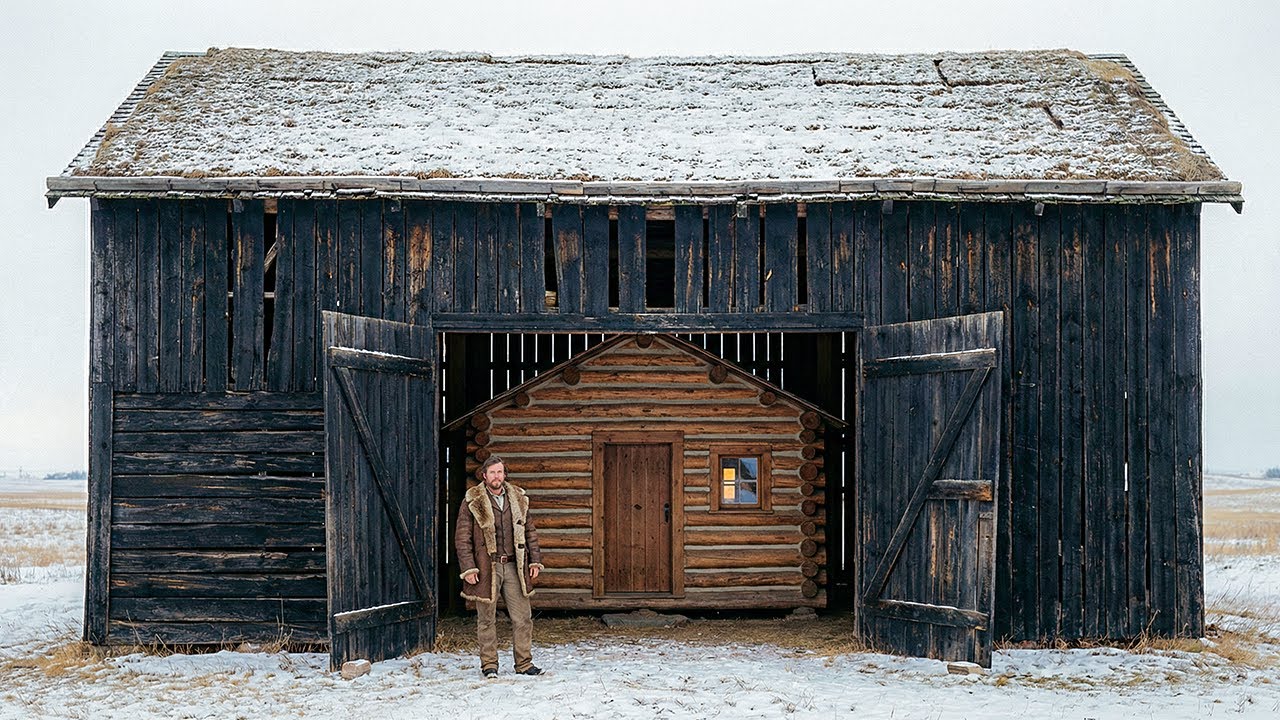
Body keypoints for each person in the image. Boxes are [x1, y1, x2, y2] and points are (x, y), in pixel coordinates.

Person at [455, 455, 545, 678]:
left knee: (523, 617)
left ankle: (524, 664)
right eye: (492, 472)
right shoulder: (472, 500)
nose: (497, 476)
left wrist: (534, 560)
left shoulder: (518, 498)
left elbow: (530, 532)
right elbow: (462, 538)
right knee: (486, 619)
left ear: (505, 474)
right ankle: (489, 665)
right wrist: (469, 568)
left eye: (500, 472)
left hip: (514, 566)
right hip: (487, 567)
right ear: (484, 476)